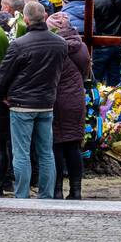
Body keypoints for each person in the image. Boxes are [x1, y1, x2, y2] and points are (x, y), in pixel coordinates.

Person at [0, 1, 65, 200]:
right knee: (46, 152)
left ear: (25, 19)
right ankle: (46, 195)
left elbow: (3, 76)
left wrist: (2, 96)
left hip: (22, 104)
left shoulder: (19, 44)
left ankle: (22, 196)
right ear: (45, 16)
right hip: (46, 102)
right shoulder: (60, 43)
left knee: (21, 153)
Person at [46, 12, 89, 200]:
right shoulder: (81, 47)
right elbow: (86, 70)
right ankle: (76, 190)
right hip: (75, 100)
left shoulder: (51, 47)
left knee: (56, 146)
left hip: (55, 100)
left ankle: (56, 190)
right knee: (73, 146)